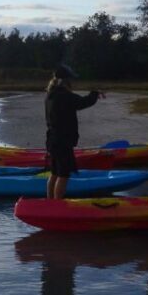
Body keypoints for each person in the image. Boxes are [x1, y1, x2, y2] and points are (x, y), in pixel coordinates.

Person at [45, 64, 102, 200]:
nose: (73, 82)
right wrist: (95, 93)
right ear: (66, 81)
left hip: (52, 140)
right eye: (71, 79)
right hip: (62, 141)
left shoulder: (50, 95)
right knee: (63, 175)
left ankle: (50, 203)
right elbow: (83, 102)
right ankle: (57, 205)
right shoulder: (64, 96)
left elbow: (79, 102)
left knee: (55, 173)